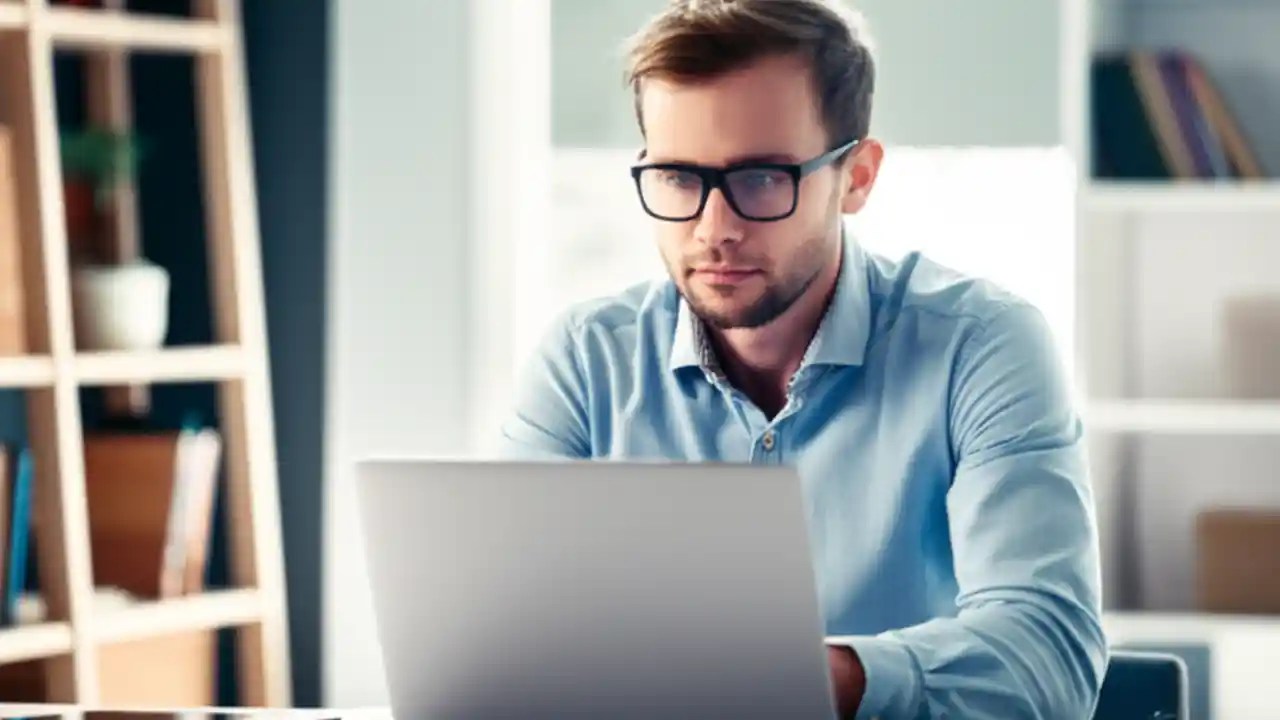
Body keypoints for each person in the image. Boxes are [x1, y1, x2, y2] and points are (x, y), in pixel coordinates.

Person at [498, 0, 1107, 717]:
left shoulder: (981, 347)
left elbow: (1049, 655)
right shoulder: (585, 362)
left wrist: (803, 680)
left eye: (761, 178)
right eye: (679, 178)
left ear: (857, 177)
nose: (714, 229)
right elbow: (501, 639)